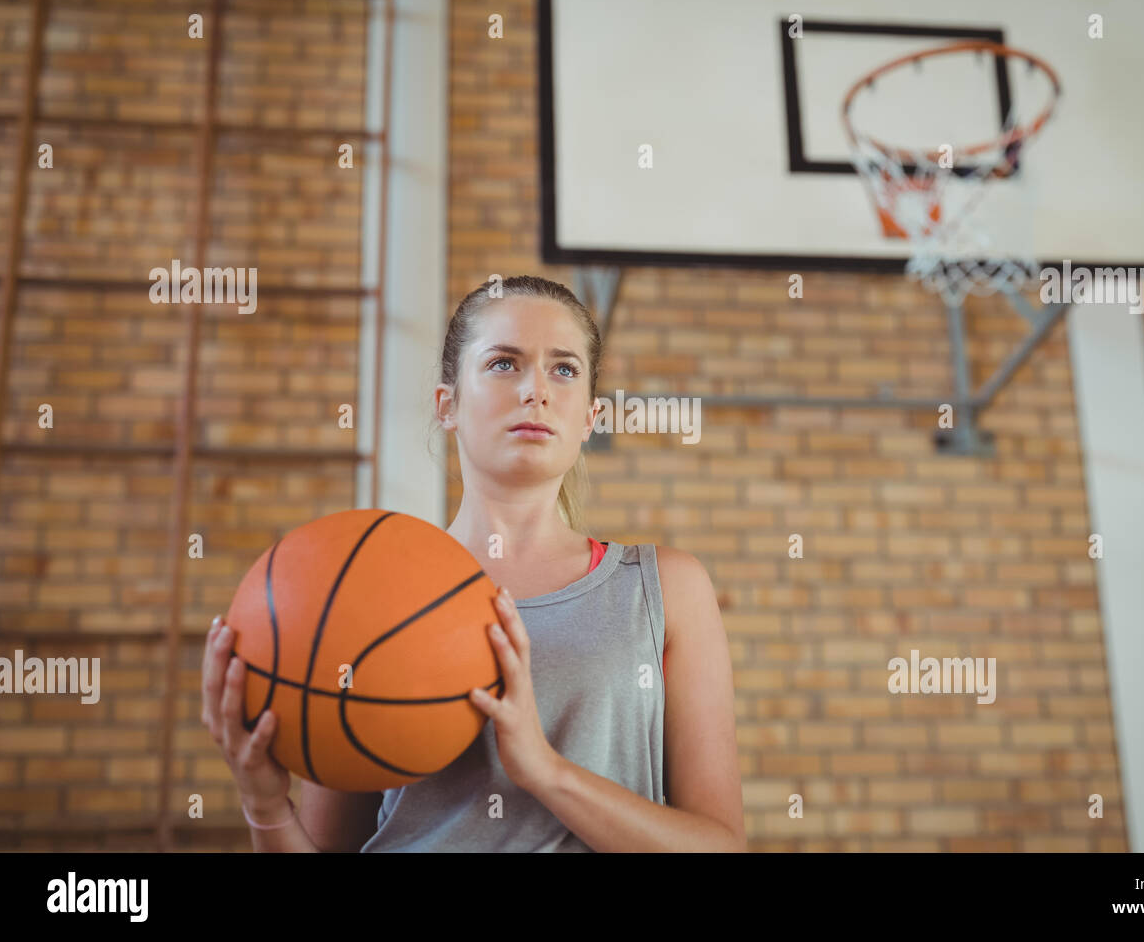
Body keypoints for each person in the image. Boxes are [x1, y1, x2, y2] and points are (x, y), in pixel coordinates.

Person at [201, 275, 746, 851]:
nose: (535, 389)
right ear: (448, 404)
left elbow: (719, 846)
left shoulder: (665, 587)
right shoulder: (370, 584)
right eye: (504, 363)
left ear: (590, 417)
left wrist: (544, 769)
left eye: (564, 369)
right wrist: (264, 806)